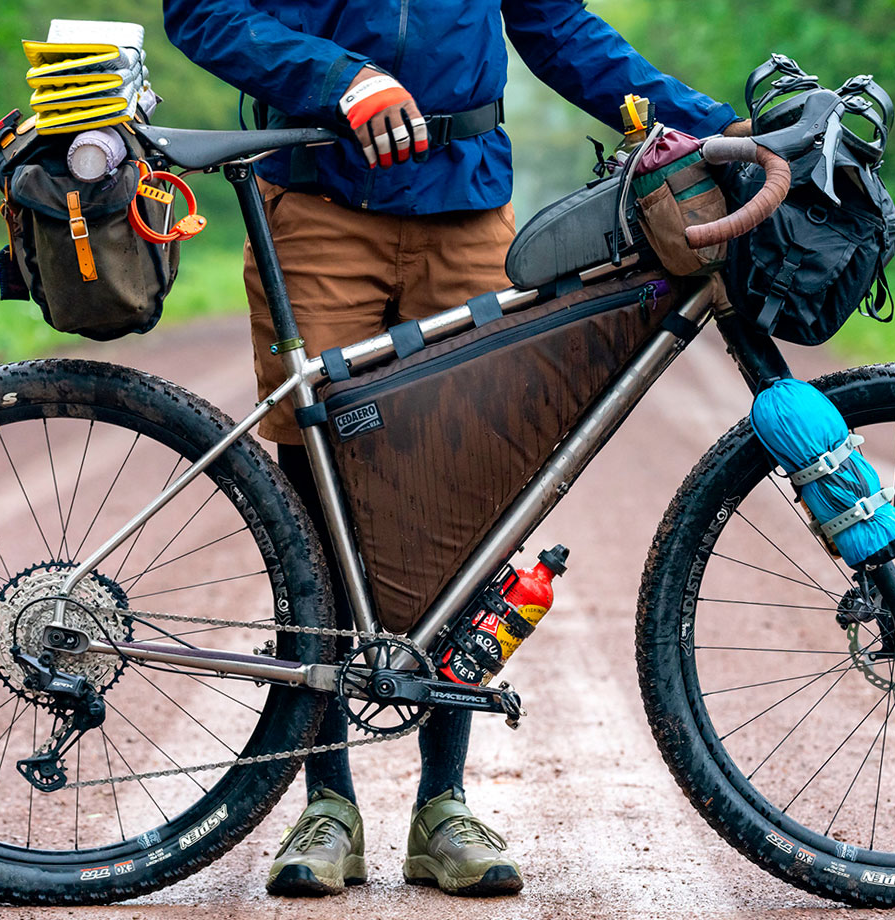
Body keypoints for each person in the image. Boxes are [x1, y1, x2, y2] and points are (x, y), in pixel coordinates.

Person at [162, 0, 746, 898]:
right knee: (315, 510)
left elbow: (559, 30)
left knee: (474, 492)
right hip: (318, 201)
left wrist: (714, 129)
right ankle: (328, 804)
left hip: (467, 204)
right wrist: (340, 77)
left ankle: (443, 804)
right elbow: (203, 12)